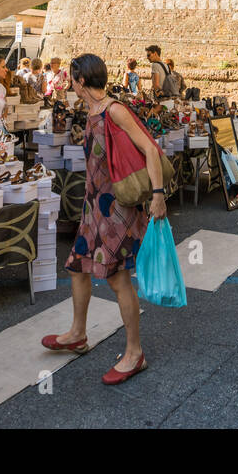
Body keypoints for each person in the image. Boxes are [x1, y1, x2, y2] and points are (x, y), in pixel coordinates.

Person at [42, 53, 166, 384]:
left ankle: (134, 353)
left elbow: (151, 149)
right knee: (78, 267)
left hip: (117, 209)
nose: (69, 83)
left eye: (72, 78)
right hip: (93, 206)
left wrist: (158, 195)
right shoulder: (92, 111)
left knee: (117, 278)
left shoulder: (114, 110)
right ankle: (78, 334)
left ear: (81, 81)